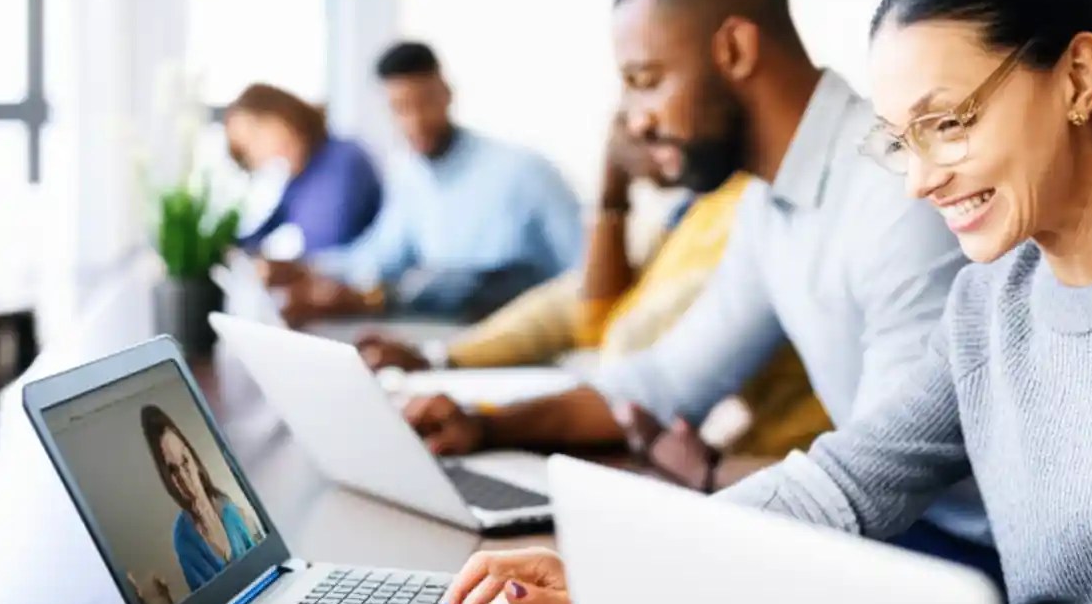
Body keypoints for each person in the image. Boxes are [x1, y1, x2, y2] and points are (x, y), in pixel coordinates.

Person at [433, 0, 1092, 604]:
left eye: (947, 124)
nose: (918, 183)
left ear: (1078, 77)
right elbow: (842, 484)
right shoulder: (990, 304)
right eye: (902, 141)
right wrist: (618, 573)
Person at [400, 0, 989, 574]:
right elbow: (662, 384)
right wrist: (484, 426)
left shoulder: (893, 189)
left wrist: (627, 566)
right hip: (885, 531)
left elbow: (875, 480)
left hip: (960, 558)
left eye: (646, 82)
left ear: (734, 49)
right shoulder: (770, 203)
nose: (635, 122)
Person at [360, 118, 831, 458]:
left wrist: (490, 422)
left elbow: (630, 353)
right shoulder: (696, 205)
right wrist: (442, 358)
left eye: (645, 80)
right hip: (717, 466)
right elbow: (569, 306)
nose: (629, 122)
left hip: (769, 474)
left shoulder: (752, 210)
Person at [262, 42, 584, 323]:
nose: (415, 120)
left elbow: (583, 267)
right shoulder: (409, 176)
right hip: (441, 327)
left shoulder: (525, 171)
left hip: (521, 331)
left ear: (447, 94)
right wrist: (305, 268)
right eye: (400, 108)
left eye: (425, 102)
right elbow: (379, 256)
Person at [226, 83, 382, 254]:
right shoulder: (301, 177)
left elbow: (328, 241)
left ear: (282, 113)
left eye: (255, 136)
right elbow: (261, 234)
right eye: (246, 150)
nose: (256, 155)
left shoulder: (344, 160)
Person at [140, 406, 260, 593]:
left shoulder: (227, 507)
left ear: (193, 459)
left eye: (185, 461)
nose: (184, 477)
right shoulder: (183, 540)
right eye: (172, 470)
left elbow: (261, 560)